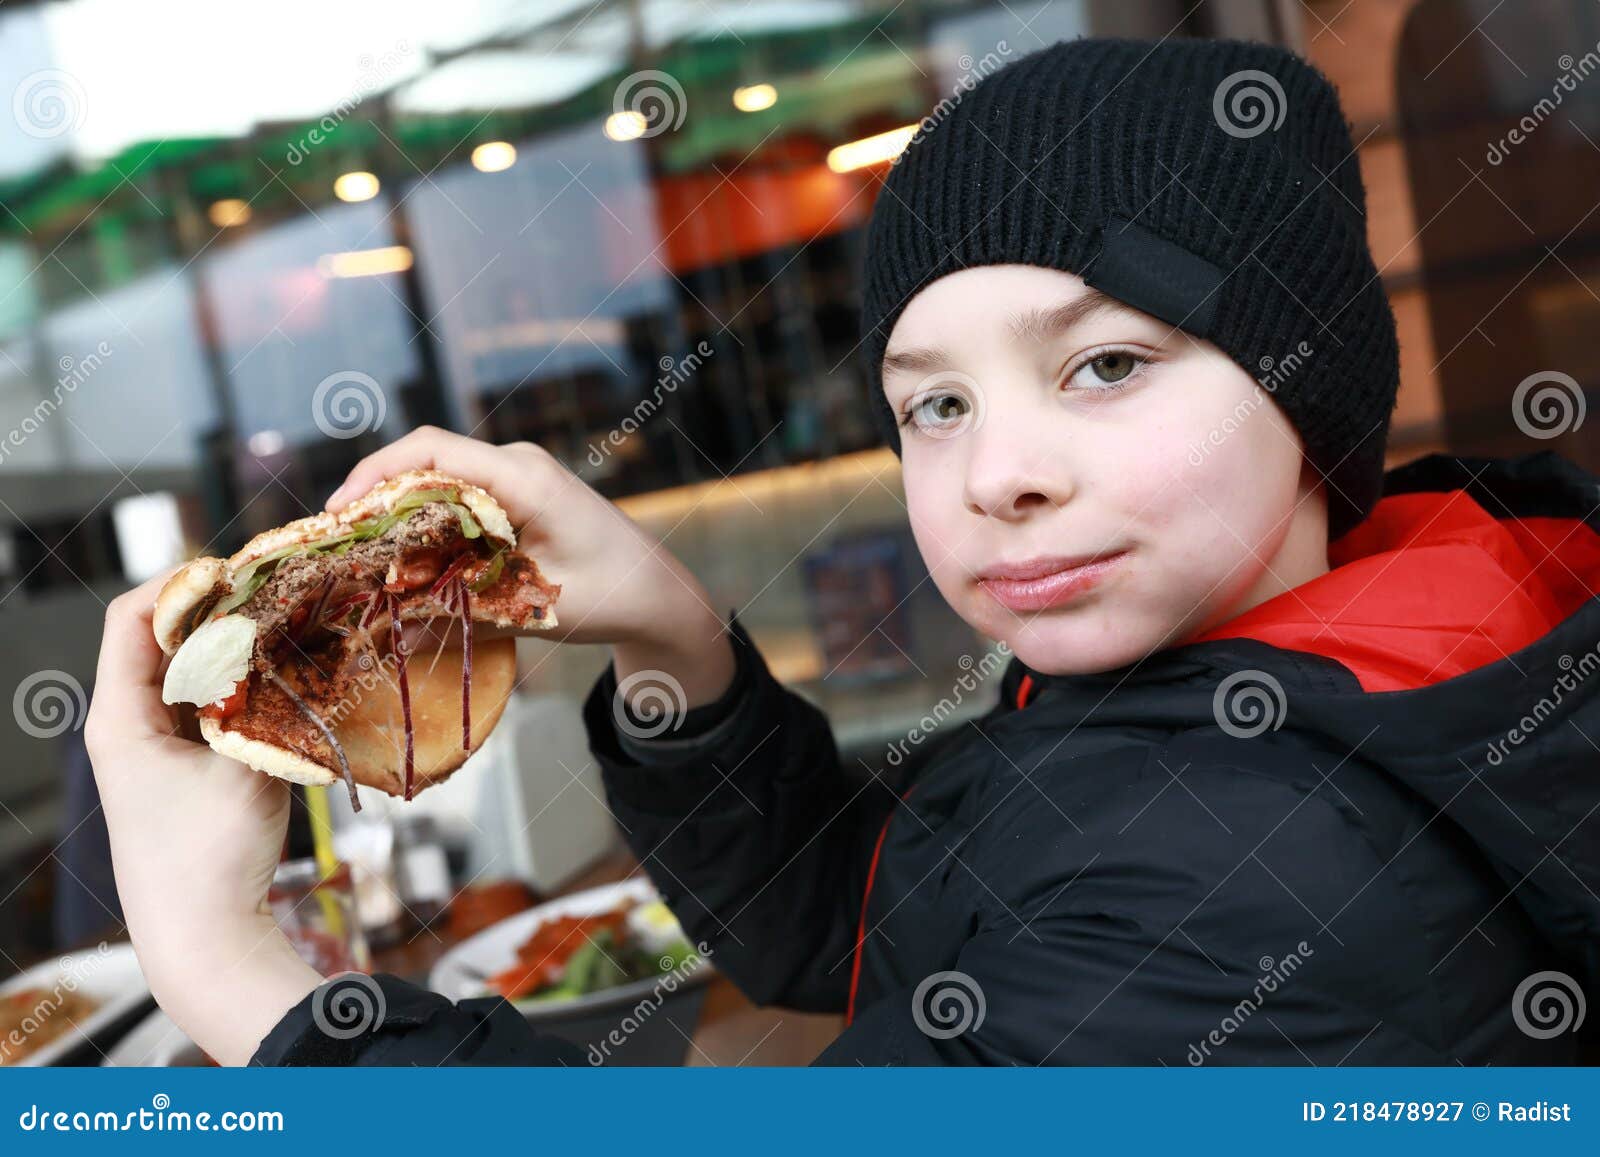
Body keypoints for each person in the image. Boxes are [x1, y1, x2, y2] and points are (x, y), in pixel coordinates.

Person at [87, 37, 1598, 1067]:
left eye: (1108, 365)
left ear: (1302, 375)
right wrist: (672, 640)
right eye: (933, 402)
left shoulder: (1261, 870)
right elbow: (873, 920)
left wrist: (228, 966)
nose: (999, 471)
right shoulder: (1297, 662)